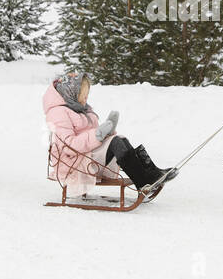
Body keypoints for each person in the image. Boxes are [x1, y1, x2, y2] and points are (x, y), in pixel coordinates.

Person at [43, 70, 177, 198]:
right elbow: (68, 146)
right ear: (72, 93)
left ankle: (151, 172)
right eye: (83, 96)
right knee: (116, 142)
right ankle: (143, 182)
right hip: (75, 164)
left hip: (87, 156)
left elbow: (94, 138)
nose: (85, 100)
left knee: (120, 139)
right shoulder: (58, 113)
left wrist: (107, 131)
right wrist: (97, 135)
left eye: (87, 96)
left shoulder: (81, 109)